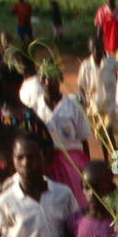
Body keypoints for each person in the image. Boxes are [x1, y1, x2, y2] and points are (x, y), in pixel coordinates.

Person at [35, 65, 93, 204]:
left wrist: (87, 168)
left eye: (52, 78)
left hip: (72, 165)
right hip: (47, 165)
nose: (48, 82)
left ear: (60, 79)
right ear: (40, 81)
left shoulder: (72, 106)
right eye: (44, 78)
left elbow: (84, 140)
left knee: (77, 201)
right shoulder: (35, 109)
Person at [77, 35, 118, 143]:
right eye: (93, 48)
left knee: (109, 129)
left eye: (99, 47)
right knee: (102, 136)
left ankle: (115, 151)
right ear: (90, 49)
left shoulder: (111, 62)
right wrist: (85, 99)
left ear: (103, 47)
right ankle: (108, 156)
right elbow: (81, 85)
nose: (96, 50)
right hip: (95, 105)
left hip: (111, 103)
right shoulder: (85, 66)